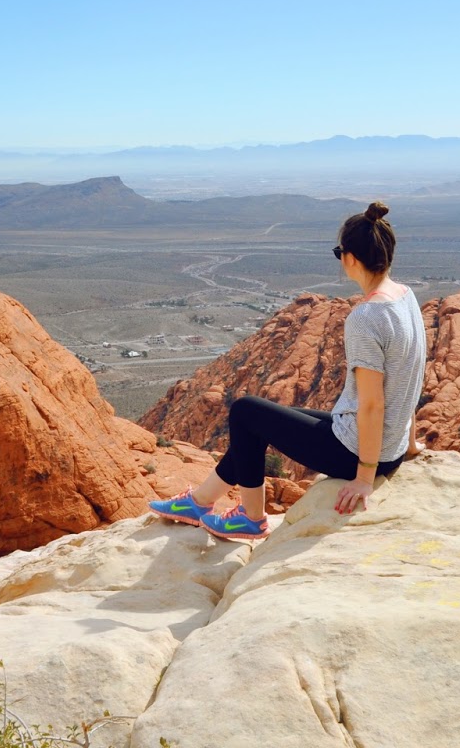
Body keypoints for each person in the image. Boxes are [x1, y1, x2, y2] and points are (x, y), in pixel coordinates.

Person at [148, 201, 427, 540]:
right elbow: (410, 376)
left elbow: (372, 404)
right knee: (264, 419)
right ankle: (199, 502)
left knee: (244, 412)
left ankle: (250, 520)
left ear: (350, 258)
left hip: (359, 454)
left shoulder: (367, 318)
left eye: (339, 251)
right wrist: (408, 445)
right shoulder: (406, 297)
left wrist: (364, 479)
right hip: (389, 448)